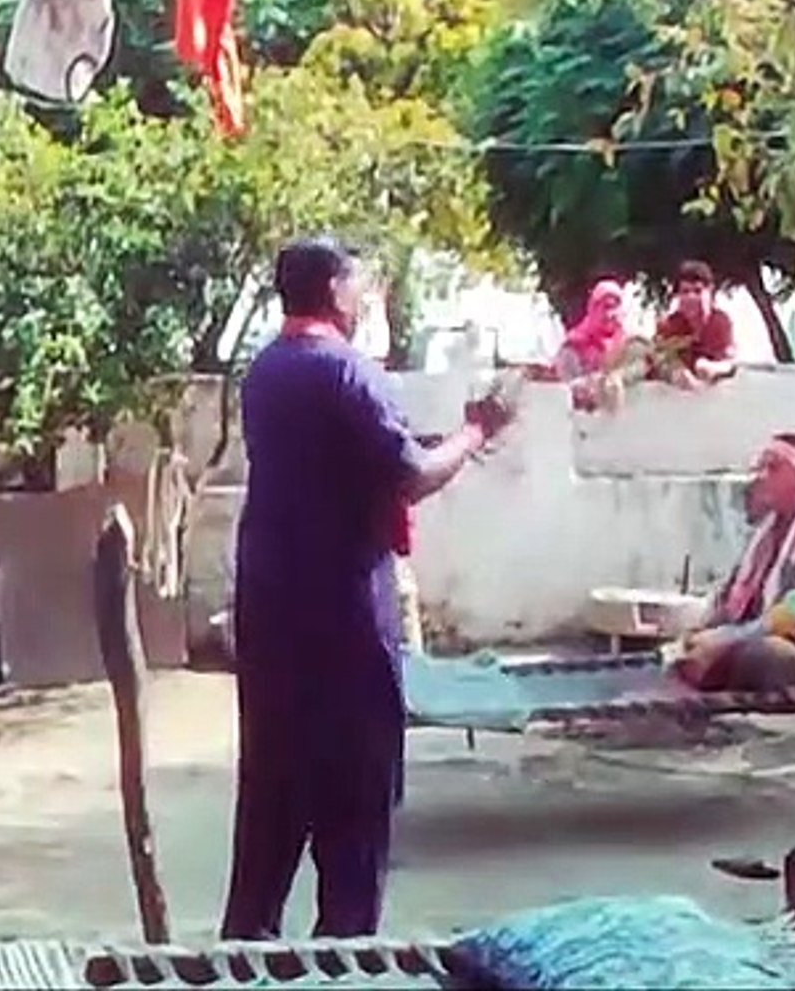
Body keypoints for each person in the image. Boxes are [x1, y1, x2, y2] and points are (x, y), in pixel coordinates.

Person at [221, 237, 513, 941]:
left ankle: (243, 950)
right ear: (333, 290)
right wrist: (475, 432)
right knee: (355, 797)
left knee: (272, 790)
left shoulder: (265, 372)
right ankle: (343, 958)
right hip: (345, 610)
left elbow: (348, 456)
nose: (363, 298)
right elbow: (409, 473)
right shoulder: (347, 370)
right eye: (357, 284)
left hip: (271, 606)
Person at [673, 432, 795, 692]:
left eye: (773, 468)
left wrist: (725, 638)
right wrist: (699, 634)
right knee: (686, 654)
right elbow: (730, 601)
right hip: (749, 639)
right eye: (761, 468)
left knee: (769, 655)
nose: (762, 477)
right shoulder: (762, 537)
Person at [653, 260, 737, 388]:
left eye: (698, 291)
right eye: (685, 292)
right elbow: (658, 360)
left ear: (710, 291)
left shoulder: (720, 322)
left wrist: (709, 367)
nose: (691, 297)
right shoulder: (668, 326)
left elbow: (728, 361)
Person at [551, 279, 632, 411]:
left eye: (615, 307)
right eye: (605, 307)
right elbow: (567, 385)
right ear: (593, 308)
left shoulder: (626, 343)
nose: (610, 314)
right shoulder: (573, 345)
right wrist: (592, 384)